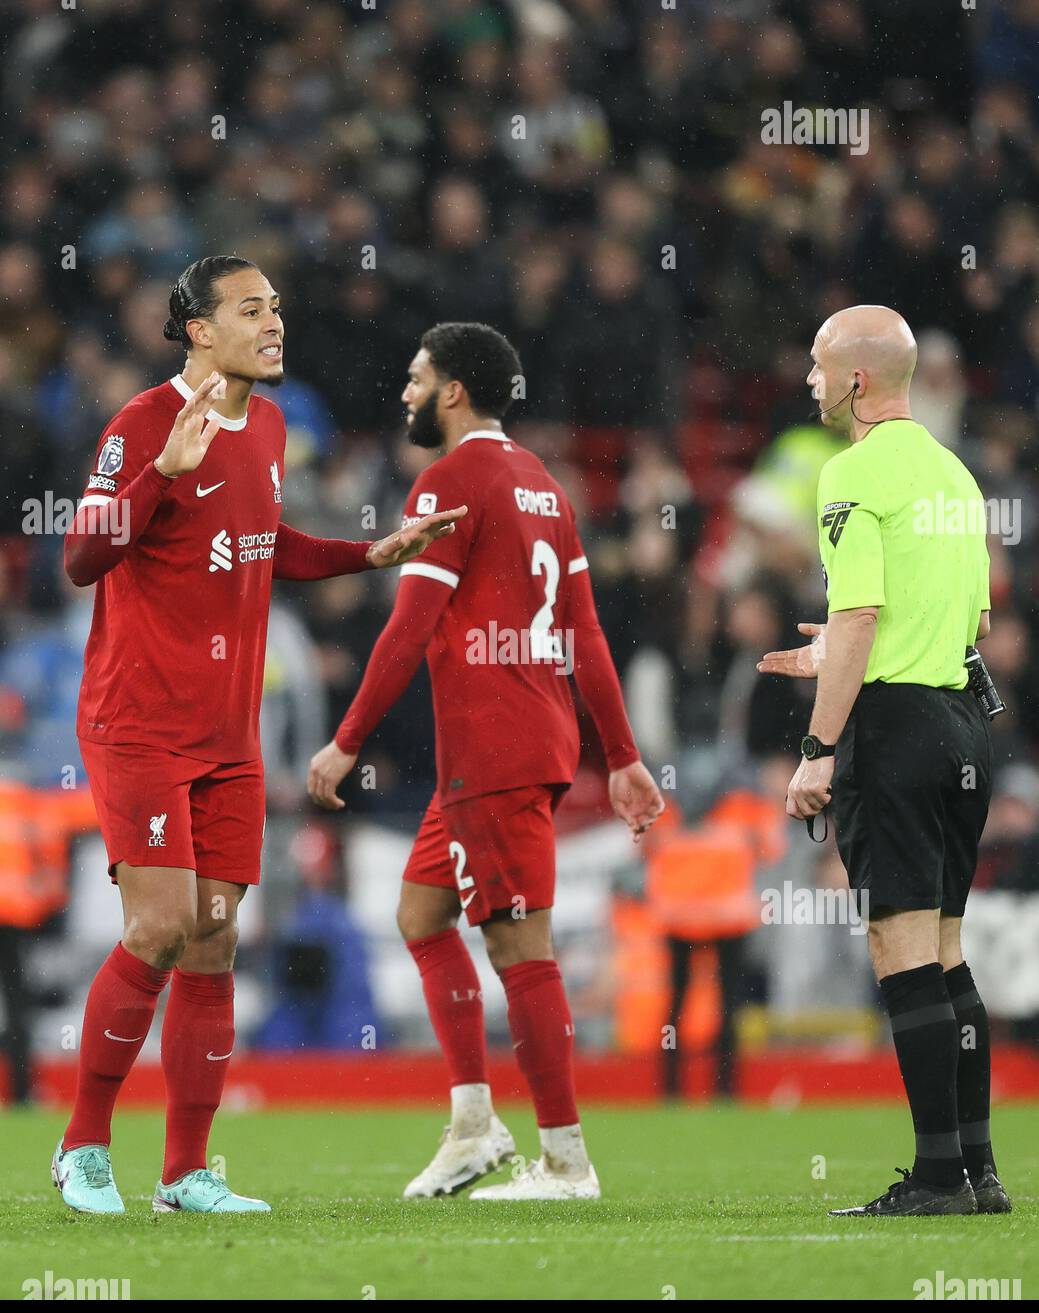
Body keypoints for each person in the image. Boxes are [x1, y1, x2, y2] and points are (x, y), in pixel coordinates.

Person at [53, 256, 464, 1216]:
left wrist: (368, 552)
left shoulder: (273, 425)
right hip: (140, 724)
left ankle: (186, 1174)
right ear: (198, 329)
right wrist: (160, 476)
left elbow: (259, 543)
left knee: (213, 940)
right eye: (250, 309)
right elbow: (81, 557)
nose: (274, 323)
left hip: (229, 734)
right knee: (155, 928)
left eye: (277, 307)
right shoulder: (144, 425)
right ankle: (81, 1150)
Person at [308, 322, 664, 1199]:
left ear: (454, 392)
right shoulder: (544, 486)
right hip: (524, 737)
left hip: (494, 745)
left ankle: (566, 1160)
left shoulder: (450, 480)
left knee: (519, 946)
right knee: (423, 916)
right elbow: (583, 632)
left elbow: (408, 626)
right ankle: (473, 1124)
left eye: (415, 376)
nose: (404, 392)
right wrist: (618, 755)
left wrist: (346, 739)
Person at [758, 304, 1010, 1217]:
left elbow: (863, 616)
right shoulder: (955, 474)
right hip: (961, 724)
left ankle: (938, 1177)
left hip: (894, 729)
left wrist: (817, 749)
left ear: (857, 380)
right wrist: (837, 649)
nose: (811, 382)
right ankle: (978, 1175)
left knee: (897, 946)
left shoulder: (850, 473)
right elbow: (973, 622)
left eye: (820, 367)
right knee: (945, 950)